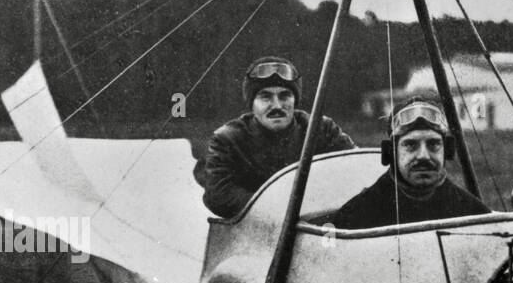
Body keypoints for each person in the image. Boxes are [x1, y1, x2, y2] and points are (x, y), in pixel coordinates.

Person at [196, 56, 356, 219]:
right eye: (265, 97)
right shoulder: (228, 138)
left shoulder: (321, 128)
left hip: (318, 227)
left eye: (285, 96)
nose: (277, 106)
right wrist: (279, 207)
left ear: (295, 100)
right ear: (252, 103)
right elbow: (218, 195)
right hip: (258, 230)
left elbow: (358, 170)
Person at [321, 98, 489, 229]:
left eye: (433, 144)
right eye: (410, 145)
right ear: (391, 152)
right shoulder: (357, 214)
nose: (423, 156)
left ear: (448, 150)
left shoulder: (472, 212)